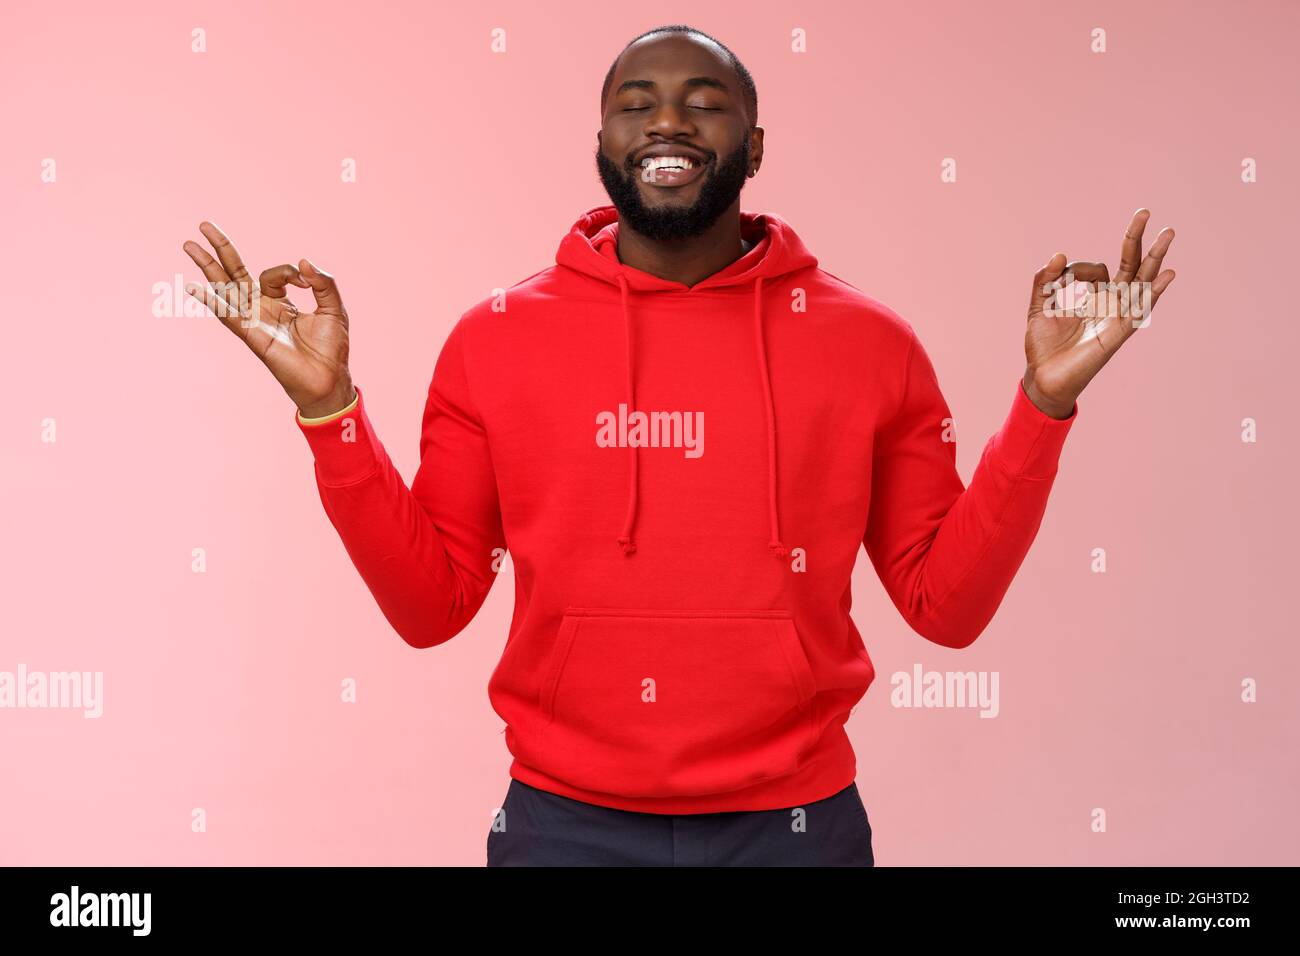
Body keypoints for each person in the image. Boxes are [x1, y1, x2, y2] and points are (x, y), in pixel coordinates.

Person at [180, 24, 1176, 866]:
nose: (667, 120)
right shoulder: (495, 337)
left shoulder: (871, 343)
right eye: (637, 102)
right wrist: (330, 408)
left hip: (797, 827)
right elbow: (431, 603)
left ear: (754, 143)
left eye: (704, 101)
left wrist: (1041, 407)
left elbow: (944, 607)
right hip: (560, 826)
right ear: (603, 138)